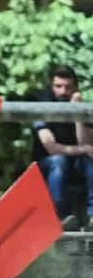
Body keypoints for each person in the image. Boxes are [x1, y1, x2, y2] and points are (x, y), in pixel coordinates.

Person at [31, 65, 93, 231]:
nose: (63, 92)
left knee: (90, 162)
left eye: (68, 87)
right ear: (51, 86)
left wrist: (77, 114)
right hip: (48, 164)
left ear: (75, 88)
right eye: (58, 86)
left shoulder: (83, 107)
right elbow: (51, 148)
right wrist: (83, 149)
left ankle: (92, 216)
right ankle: (61, 218)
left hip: (76, 165)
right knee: (59, 161)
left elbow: (86, 143)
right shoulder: (42, 105)